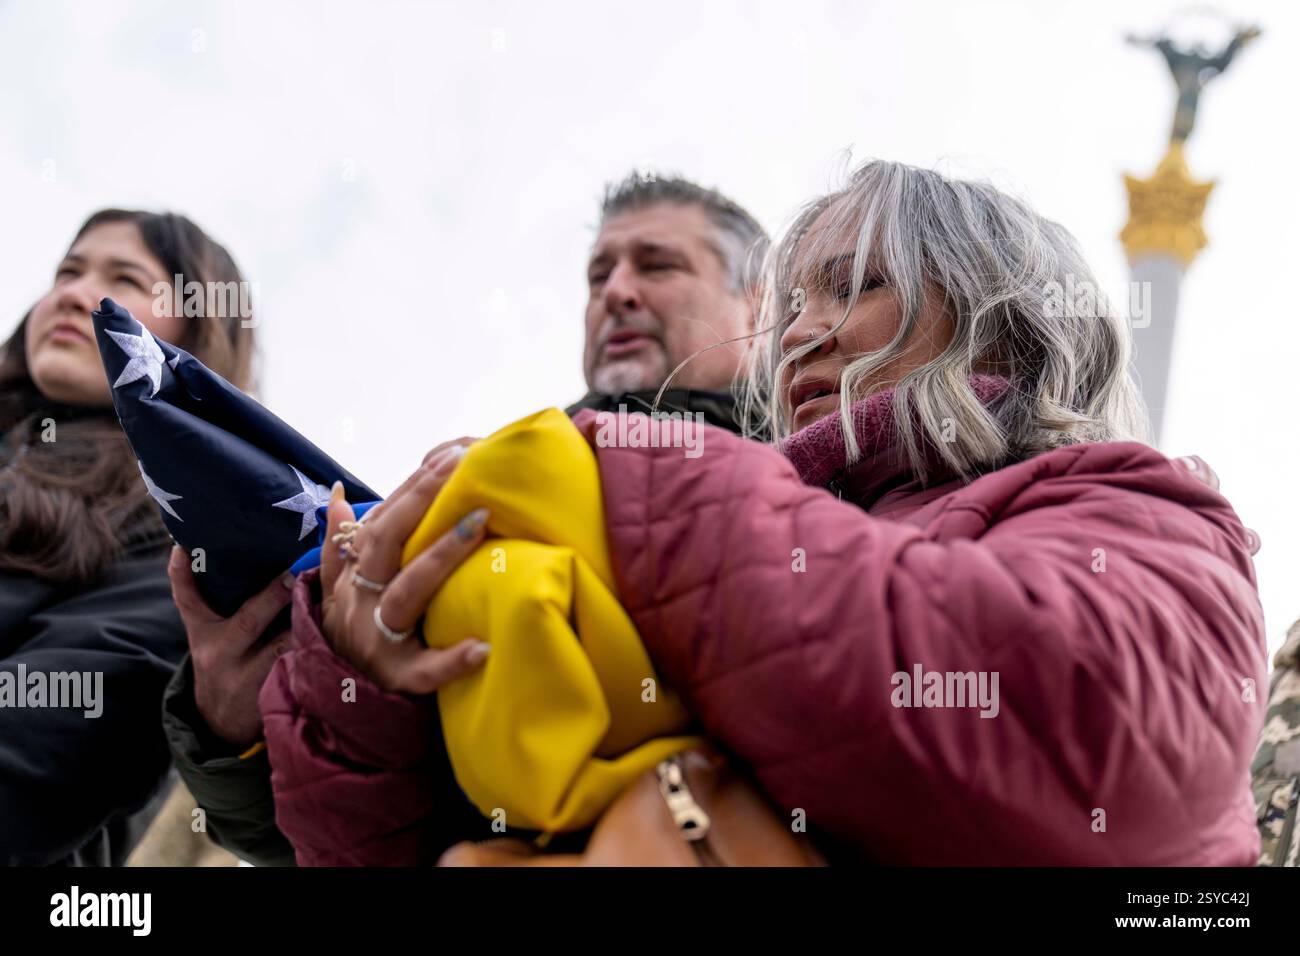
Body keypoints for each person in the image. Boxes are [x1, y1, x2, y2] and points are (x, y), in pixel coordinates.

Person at [278, 158, 1266, 865]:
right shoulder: (763, 510)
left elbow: (1085, 731)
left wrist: (634, 482)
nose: (798, 332)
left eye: (851, 287)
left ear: (996, 314)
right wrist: (363, 675)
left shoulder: (1140, 506)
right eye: (792, 301)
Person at [162, 172, 768, 865]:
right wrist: (245, 726)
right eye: (598, 275)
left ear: (757, 303)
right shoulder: (470, 492)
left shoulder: (842, 465)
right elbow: (301, 837)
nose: (615, 292)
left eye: (657, 264)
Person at [0, 209, 255, 865]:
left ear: (196, 334)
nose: (75, 293)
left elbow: (37, 752)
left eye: (125, 279)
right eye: (68, 270)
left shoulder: (183, 528)